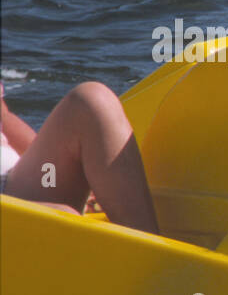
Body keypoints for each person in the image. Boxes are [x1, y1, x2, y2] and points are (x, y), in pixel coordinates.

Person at [0, 80, 159, 233]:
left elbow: (3, 117)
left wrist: (63, 170)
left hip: (15, 185)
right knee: (64, 220)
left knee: (92, 100)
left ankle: (151, 251)